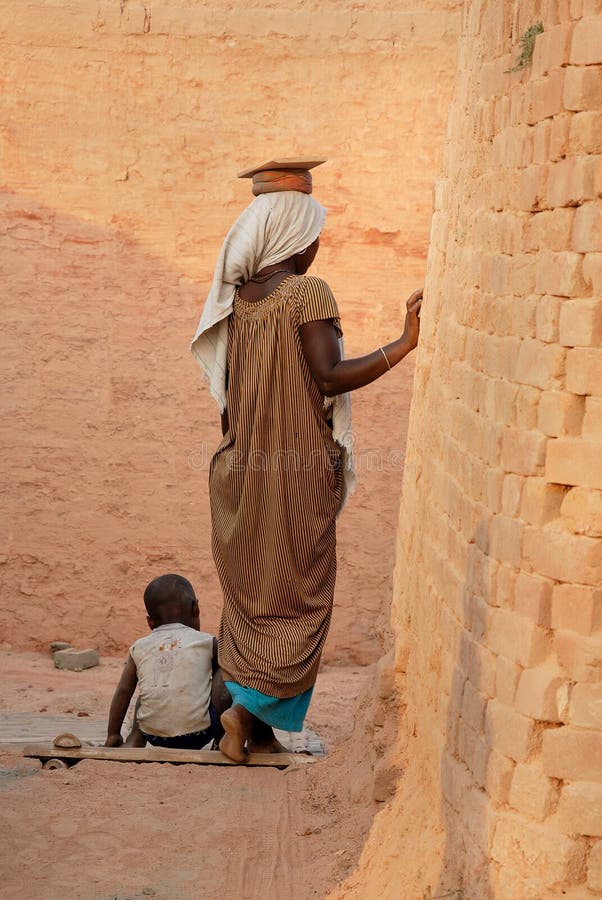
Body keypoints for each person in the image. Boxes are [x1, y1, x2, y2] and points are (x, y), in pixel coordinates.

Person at [190, 159, 422, 763]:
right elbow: (328, 375)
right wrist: (403, 345)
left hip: (238, 473)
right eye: (314, 232)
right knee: (301, 600)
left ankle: (255, 726)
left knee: (252, 601)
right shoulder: (307, 293)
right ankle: (243, 716)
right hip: (292, 477)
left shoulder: (239, 300)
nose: (318, 245)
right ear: (293, 233)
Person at [105, 574, 230, 750]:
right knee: (228, 671)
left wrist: (113, 734)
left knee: (151, 690)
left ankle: (134, 740)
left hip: (153, 734)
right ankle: (221, 740)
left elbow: (123, 691)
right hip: (199, 733)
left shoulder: (139, 647)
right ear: (196, 609)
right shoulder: (208, 642)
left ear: (149, 622)